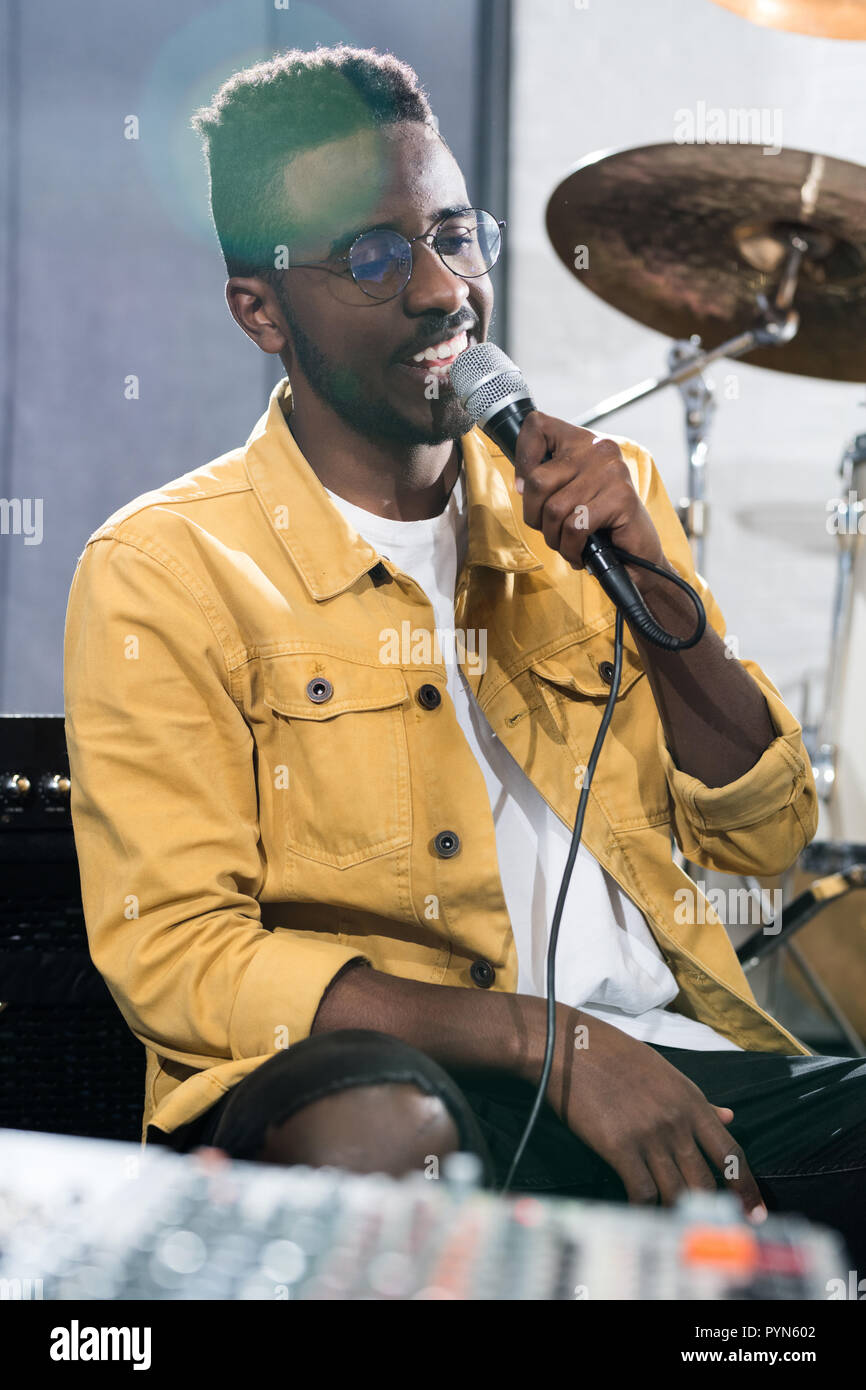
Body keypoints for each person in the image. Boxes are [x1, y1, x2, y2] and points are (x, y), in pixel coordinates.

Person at [63, 44, 866, 1263]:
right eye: (375, 256)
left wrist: (655, 579)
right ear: (261, 309)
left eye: (456, 233)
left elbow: (755, 841)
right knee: (392, 1143)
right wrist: (549, 1039)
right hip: (409, 1082)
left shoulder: (603, 500)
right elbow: (183, 958)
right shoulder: (167, 567)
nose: (443, 289)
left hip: (677, 1058)